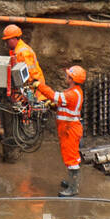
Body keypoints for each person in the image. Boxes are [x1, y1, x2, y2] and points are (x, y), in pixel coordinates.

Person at [36, 65, 86, 198]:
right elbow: (63, 104)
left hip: (70, 129)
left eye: (68, 75)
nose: (66, 77)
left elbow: (55, 96)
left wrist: (39, 86)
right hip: (68, 128)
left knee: (71, 158)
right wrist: (54, 106)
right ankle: (71, 182)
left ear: (72, 79)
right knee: (69, 156)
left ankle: (73, 188)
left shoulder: (72, 94)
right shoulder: (74, 91)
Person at [2, 24, 44, 91]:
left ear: (14, 38)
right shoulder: (16, 51)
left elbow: (31, 76)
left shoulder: (23, 52)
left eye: (7, 40)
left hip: (35, 92)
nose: (6, 43)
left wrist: (27, 92)